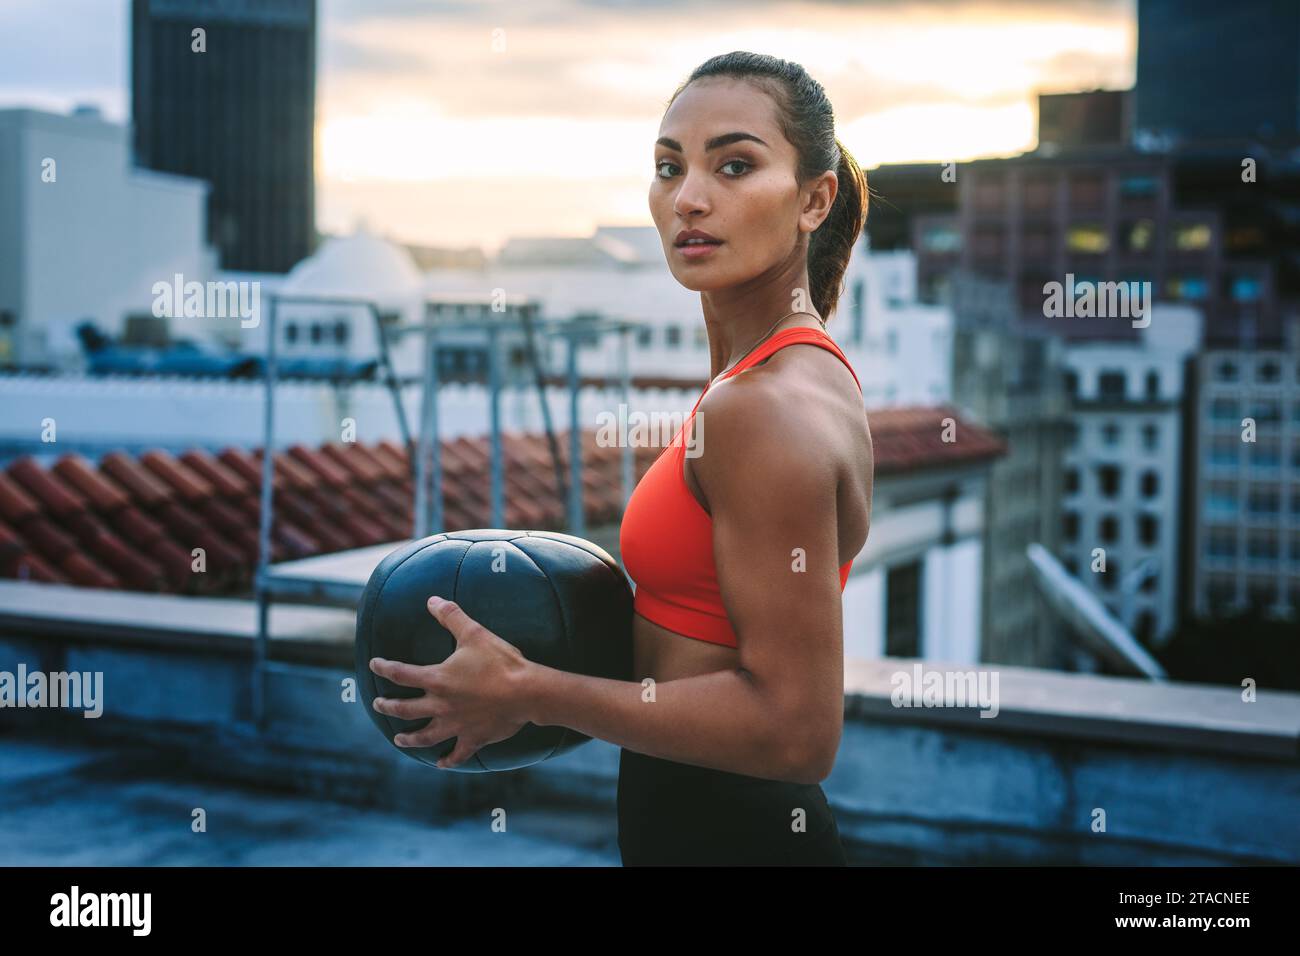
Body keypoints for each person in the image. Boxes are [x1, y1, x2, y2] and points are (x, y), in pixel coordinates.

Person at [369, 50, 873, 866]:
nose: (690, 198)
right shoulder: (787, 375)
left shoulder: (761, 409)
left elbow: (796, 733)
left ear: (814, 199)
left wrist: (532, 694)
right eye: (669, 168)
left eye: (735, 165)